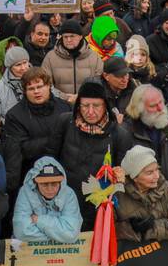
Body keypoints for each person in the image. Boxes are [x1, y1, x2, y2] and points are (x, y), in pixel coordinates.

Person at [48, 80, 133, 227]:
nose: (91, 111)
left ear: (105, 105)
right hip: (65, 201)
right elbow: (51, 158)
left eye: (96, 106)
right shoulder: (65, 123)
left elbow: (121, 173)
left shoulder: (119, 134)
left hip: (99, 206)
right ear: (78, 105)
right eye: (85, 106)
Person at [121, 84, 168, 203]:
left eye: (161, 102)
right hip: (138, 197)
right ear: (139, 109)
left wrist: (165, 187)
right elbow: (124, 170)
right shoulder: (126, 131)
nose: (160, 108)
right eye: (153, 105)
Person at [114, 145, 168, 245]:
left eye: (157, 169)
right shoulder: (117, 193)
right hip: (130, 256)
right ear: (134, 177)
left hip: (159, 255)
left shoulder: (163, 187)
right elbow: (107, 229)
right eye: (149, 173)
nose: (157, 176)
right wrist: (131, 229)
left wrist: (152, 228)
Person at [11, 157, 82, 244]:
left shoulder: (69, 194)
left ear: (61, 183)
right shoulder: (25, 191)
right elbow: (21, 232)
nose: (49, 189)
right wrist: (59, 235)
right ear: (35, 182)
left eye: (54, 184)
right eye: (44, 184)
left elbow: (71, 234)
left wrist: (39, 220)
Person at [41, 19, 104, 100]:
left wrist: (81, 96)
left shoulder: (94, 57)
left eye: (72, 36)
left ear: (80, 37)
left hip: (87, 102)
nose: (69, 40)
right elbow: (46, 84)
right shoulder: (50, 57)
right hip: (59, 103)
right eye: (65, 37)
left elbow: (99, 83)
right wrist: (64, 97)